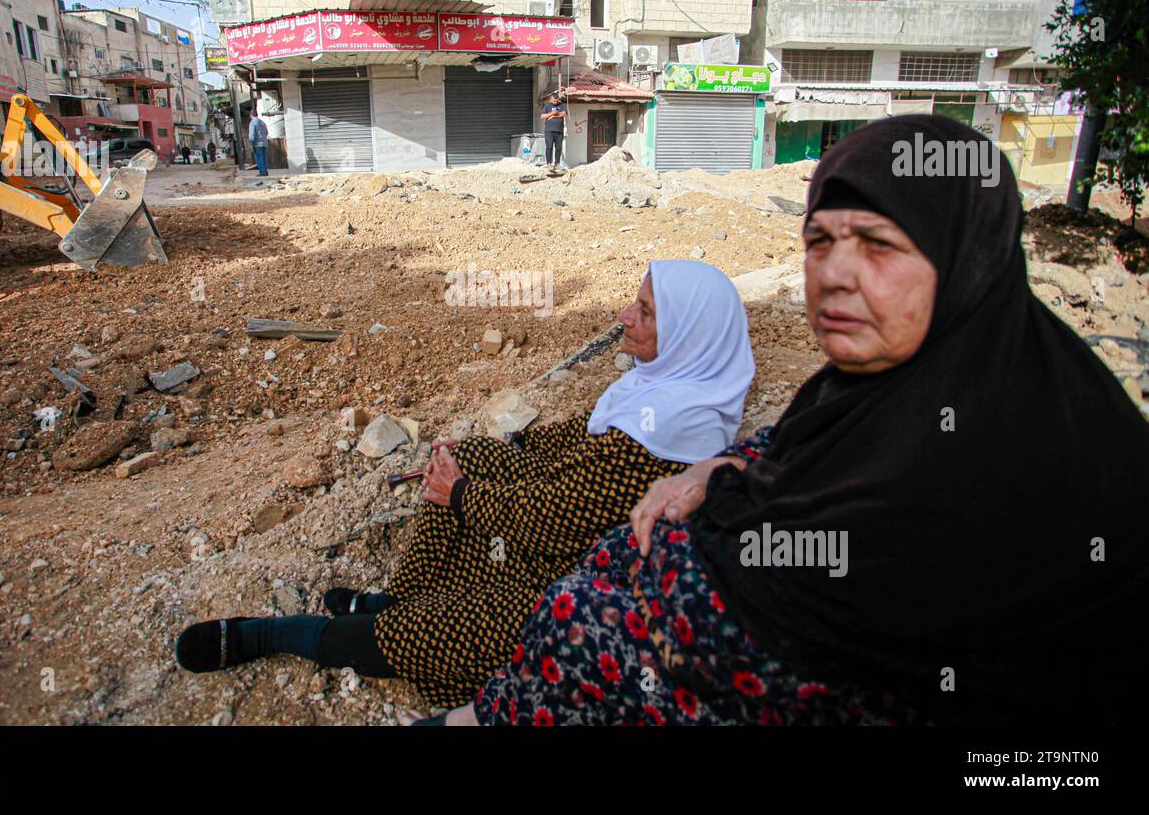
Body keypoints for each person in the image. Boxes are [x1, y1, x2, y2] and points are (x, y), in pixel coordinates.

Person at [413, 113, 1149, 726]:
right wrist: (722, 467)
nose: (834, 275)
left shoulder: (1009, 443)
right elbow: (783, 453)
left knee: (581, 620)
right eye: (820, 242)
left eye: (881, 246)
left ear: (967, 260)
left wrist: (650, 549)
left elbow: (760, 619)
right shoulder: (888, 377)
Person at [173, 261, 756, 707]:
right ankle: (404, 596)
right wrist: (510, 450)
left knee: (459, 627)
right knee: (469, 456)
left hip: (582, 577)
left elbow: (554, 517)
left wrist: (461, 495)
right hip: (564, 528)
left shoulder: (677, 424)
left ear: (690, 338)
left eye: (647, 312)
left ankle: (282, 636)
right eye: (636, 300)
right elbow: (580, 438)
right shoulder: (668, 385)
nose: (625, 315)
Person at [541, 92, 566, 170]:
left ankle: (557, 164)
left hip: (559, 131)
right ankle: (549, 164)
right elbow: (542, 116)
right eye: (554, 101)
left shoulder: (561, 105)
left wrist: (553, 116)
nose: (555, 102)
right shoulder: (547, 106)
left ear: (558, 99)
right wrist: (552, 113)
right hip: (549, 131)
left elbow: (563, 113)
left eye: (556, 100)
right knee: (549, 147)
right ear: (551, 99)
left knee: (558, 148)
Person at [248, 109, 269, 176]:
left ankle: (262, 172)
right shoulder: (262, 122)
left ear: (251, 115)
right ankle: (265, 171)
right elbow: (266, 132)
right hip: (264, 143)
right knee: (264, 158)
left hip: (257, 144)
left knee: (259, 158)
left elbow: (252, 135)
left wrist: (250, 144)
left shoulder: (252, 123)